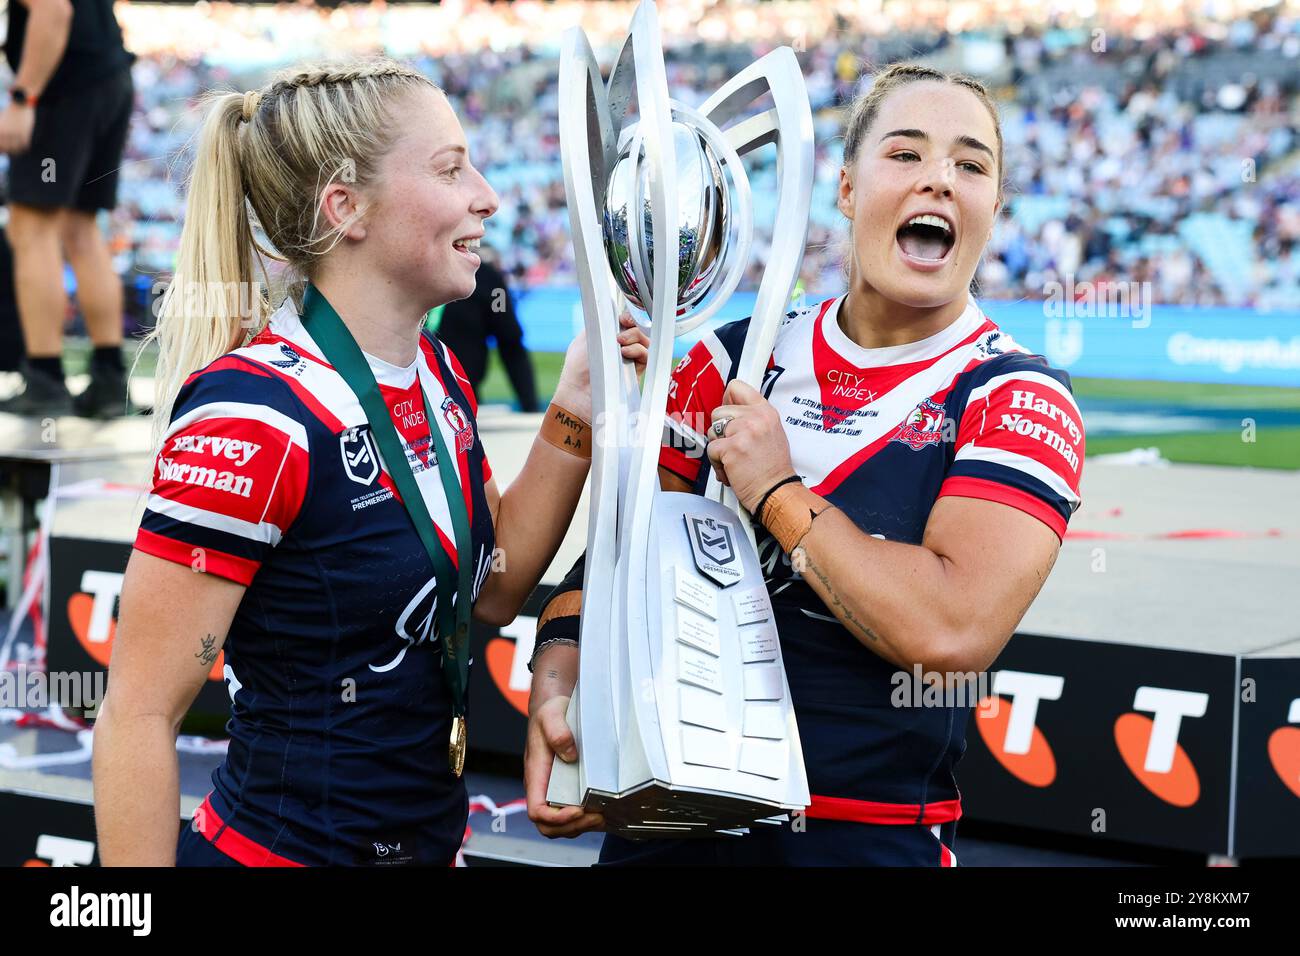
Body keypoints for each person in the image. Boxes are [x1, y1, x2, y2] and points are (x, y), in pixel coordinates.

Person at [524, 63, 1086, 865]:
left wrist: (776, 492)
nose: (939, 181)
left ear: (994, 208)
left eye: (971, 165)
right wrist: (558, 679)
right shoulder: (731, 354)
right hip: (670, 823)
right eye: (906, 154)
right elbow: (614, 560)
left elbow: (950, 629)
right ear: (848, 189)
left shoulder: (1018, 397)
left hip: (860, 840)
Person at [90, 60, 647, 867]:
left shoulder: (437, 375)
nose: (487, 196)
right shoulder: (252, 417)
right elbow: (137, 715)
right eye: (451, 169)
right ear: (346, 207)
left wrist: (574, 410)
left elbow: (492, 588)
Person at [0, 0, 135, 417]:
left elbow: (54, 10)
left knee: (31, 226)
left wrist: (24, 98)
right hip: (110, 80)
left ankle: (44, 380)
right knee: (81, 229)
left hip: (63, 93)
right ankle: (109, 380)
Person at [435, 245, 540, 411]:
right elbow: (510, 340)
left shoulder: (492, 282)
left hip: (462, 397)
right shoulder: (491, 280)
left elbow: (510, 338)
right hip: (437, 393)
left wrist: (529, 405)